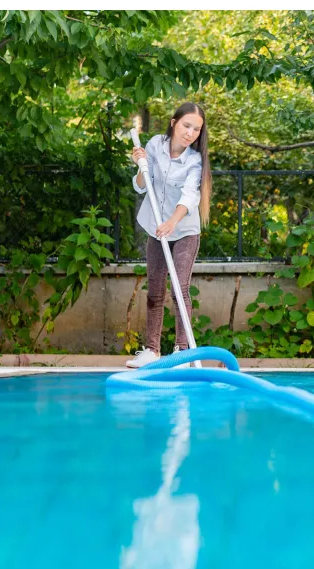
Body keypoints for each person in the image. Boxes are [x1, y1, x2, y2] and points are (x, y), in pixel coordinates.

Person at [126, 102, 212, 369]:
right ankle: (152, 351)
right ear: (174, 122)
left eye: (196, 129)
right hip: (156, 228)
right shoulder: (154, 145)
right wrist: (140, 164)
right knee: (155, 289)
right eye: (187, 125)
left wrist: (172, 222)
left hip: (183, 230)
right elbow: (142, 187)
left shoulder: (194, 161)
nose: (190, 133)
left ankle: (181, 353)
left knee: (179, 288)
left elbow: (189, 196)